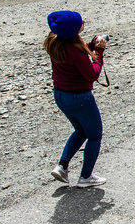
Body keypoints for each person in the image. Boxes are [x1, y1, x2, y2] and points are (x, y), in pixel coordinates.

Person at [44, 10, 108, 188]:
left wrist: (91, 45)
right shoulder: (75, 51)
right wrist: (99, 53)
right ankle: (86, 177)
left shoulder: (54, 41)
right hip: (79, 97)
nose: (84, 21)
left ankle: (62, 166)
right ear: (73, 30)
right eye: (80, 22)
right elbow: (92, 74)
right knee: (94, 136)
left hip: (60, 95)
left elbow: (74, 51)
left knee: (80, 131)